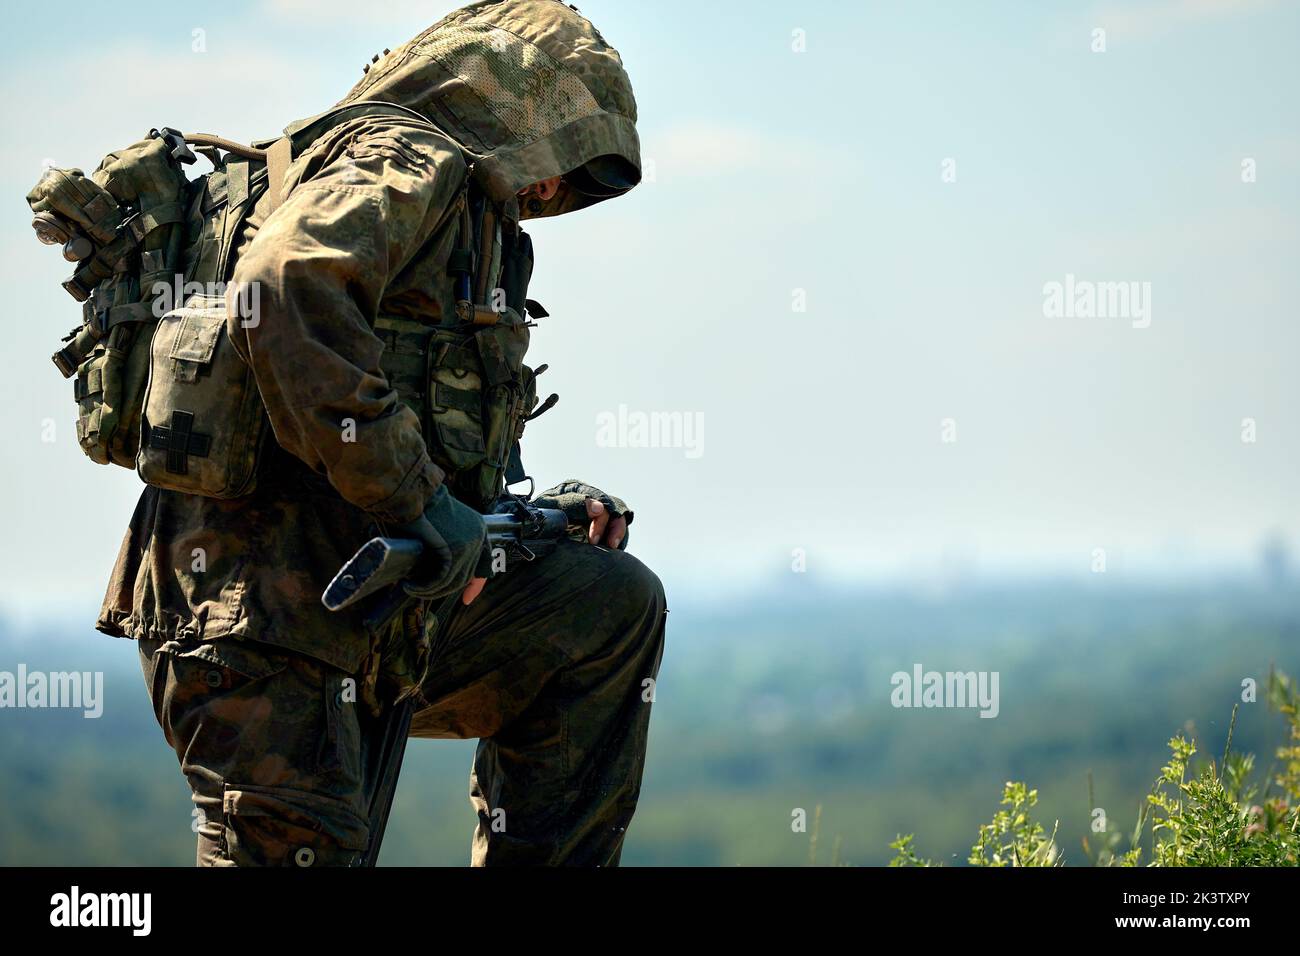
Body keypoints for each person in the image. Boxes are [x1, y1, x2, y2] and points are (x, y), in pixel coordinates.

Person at [97, 0, 666, 867]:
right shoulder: (405, 158)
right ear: (507, 104)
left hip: (375, 600)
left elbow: (404, 395)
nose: (552, 188)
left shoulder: (446, 202)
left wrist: (500, 515)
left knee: (603, 607)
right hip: (264, 617)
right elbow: (285, 287)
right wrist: (421, 503)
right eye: (559, 152)